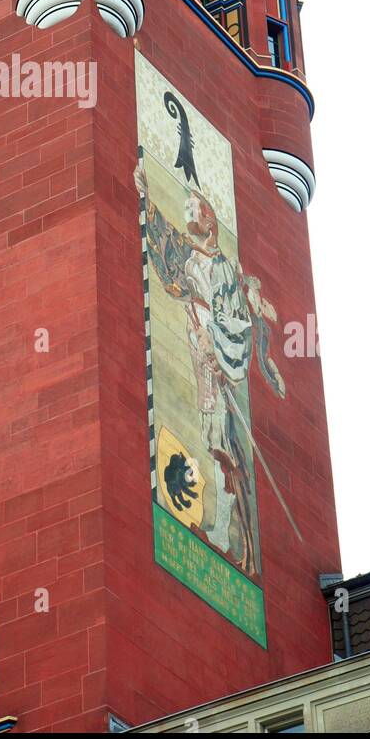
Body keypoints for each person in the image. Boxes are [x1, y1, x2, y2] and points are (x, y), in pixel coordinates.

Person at [135, 162, 258, 576]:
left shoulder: (223, 268)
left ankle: (235, 540)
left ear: (210, 221)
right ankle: (223, 534)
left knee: (227, 452)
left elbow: (238, 324)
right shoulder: (191, 259)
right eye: (186, 207)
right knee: (213, 447)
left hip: (219, 369)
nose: (188, 213)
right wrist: (147, 199)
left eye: (195, 208)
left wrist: (218, 345)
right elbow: (167, 251)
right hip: (202, 366)